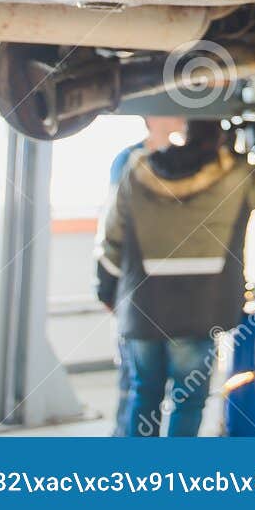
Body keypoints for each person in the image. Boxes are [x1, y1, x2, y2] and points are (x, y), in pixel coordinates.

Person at [95, 118, 255, 437]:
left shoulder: (136, 171)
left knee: (144, 393)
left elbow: (112, 240)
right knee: (188, 400)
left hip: (142, 306)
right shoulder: (235, 176)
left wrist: (106, 291)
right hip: (201, 309)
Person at [103, 116, 179, 435]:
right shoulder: (129, 160)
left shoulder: (185, 160)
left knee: (166, 384)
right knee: (136, 381)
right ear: (152, 118)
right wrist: (108, 286)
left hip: (175, 287)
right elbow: (114, 225)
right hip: (135, 287)